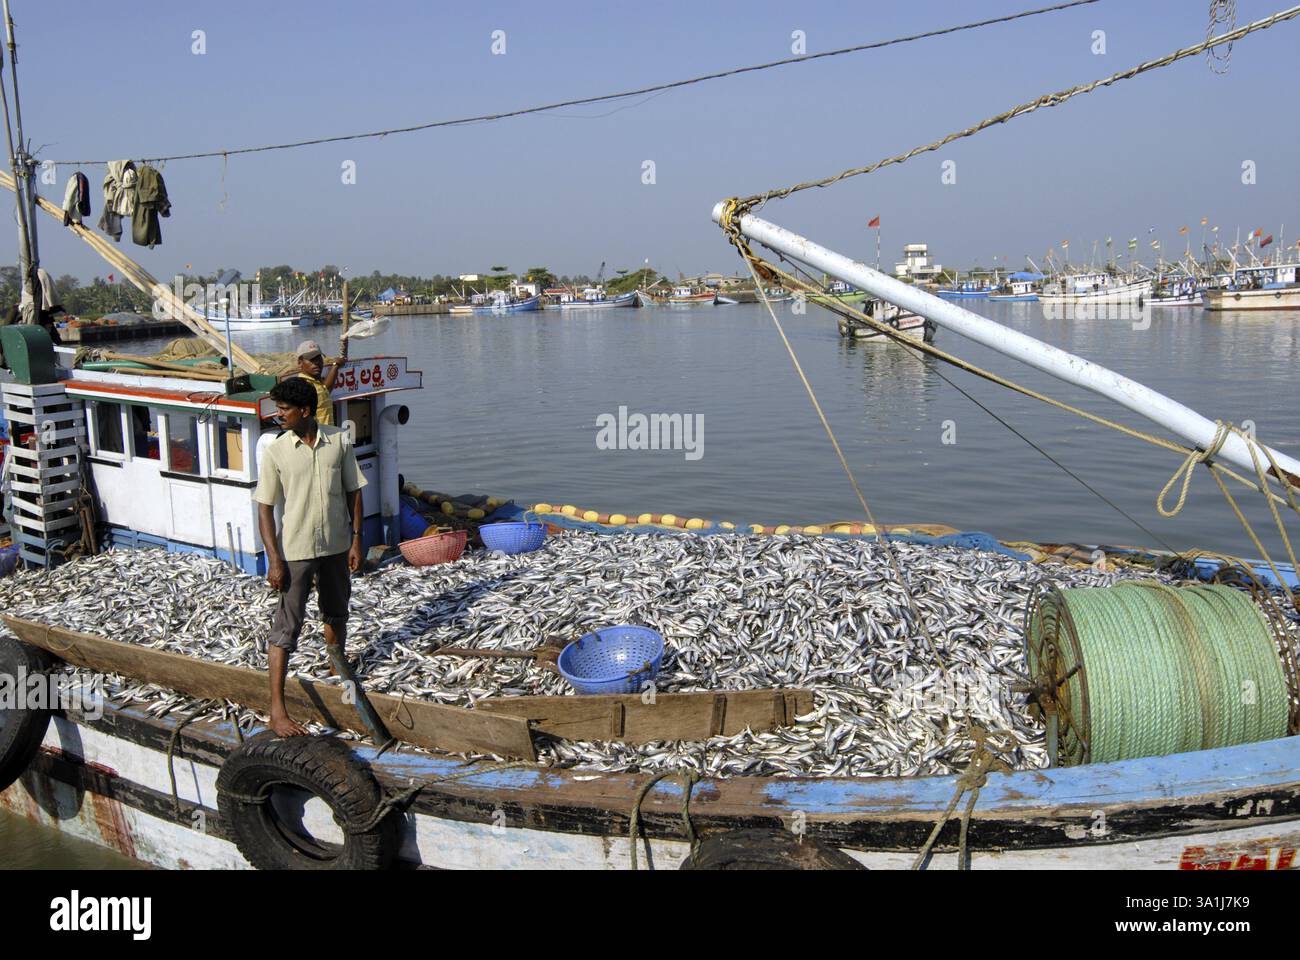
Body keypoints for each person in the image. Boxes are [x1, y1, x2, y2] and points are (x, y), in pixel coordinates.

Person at [254, 377, 367, 737]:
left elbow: (354, 492)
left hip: (335, 547)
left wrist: (355, 540)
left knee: (337, 612)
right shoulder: (276, 449)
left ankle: (339, 679)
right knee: (286, 627)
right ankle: (277, 711)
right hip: (298, 552)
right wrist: (275, 559)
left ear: (304, 411)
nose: (278, 415)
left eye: (284, 410)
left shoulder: (338, 440)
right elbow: (265, 508)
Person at [290, 339, 346, 426]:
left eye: (318, 358)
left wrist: (335, 366)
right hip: (318, 437)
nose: (316, 363)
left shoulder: (317, 383)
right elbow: (326, 389)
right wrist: (335, 366)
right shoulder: (303, 386)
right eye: (311, 360)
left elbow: (325, 390)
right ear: (300, 363)